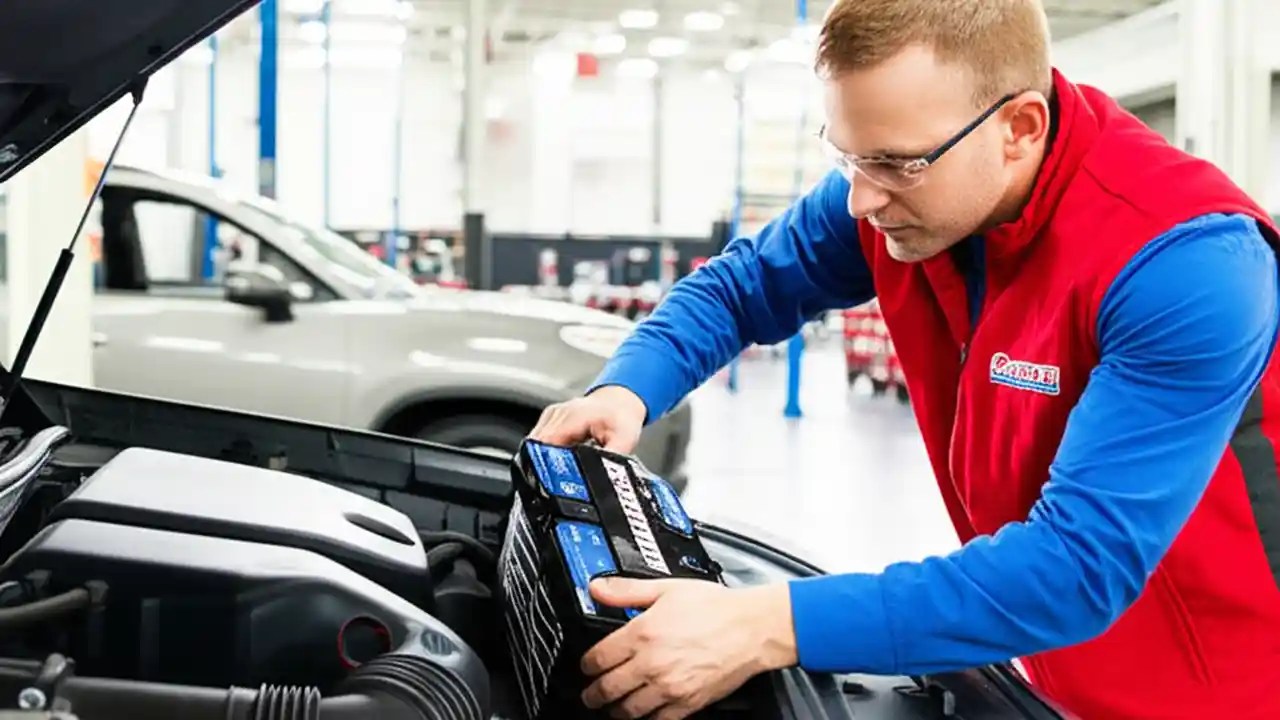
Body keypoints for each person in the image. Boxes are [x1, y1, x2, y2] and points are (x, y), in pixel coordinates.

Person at [529, 0, 1280, 718]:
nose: (860, 199)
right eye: (847, 154)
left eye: (894, 162)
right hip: (1052, 669)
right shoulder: (915, 186)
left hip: (1229, 691)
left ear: (1019, 127)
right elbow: (742, 285)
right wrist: (627, 390)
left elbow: (1076, 568)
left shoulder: (1186, 264)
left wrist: (764, 624)